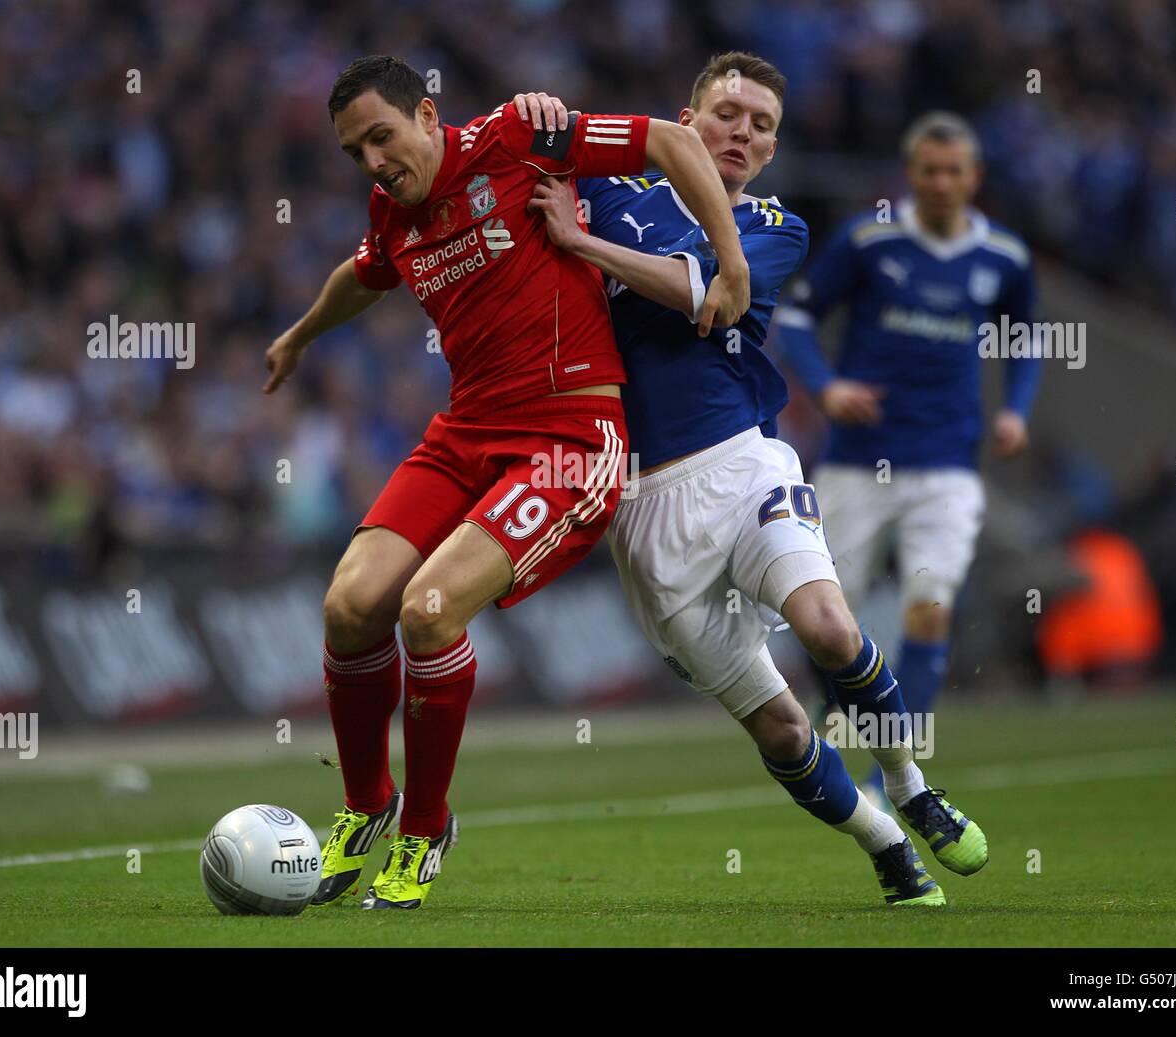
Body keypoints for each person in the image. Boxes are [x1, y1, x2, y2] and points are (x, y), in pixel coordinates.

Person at [263, 55, 750, 910]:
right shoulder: (393, 211)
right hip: (468, 431)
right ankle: (364, 803)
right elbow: (362, 274)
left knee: (428, 608)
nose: (373, 162)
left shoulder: (519, 137)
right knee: (348, 605)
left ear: (426, 114)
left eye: (382, 136)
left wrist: (729, 260)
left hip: (569, 434)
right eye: (355, 152)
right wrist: (301, 334)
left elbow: (672, 139)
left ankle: (423, 830)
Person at [513, 52, 988, 907]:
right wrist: (536, 110)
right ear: (685, 122)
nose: (743, 132)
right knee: (779, 723)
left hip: (741, 460)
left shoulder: (776, 226)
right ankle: (882, 843)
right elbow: (524, 158)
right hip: (641, 503)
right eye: (728, 113)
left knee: (830, 628)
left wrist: (581, 243)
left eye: (763, 125)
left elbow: (709, 298)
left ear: (772, 150)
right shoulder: (620, 188)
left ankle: (911, 786)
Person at [777, 111, 1041, 803]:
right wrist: (828, 386)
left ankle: (896, 772)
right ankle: (835, 724)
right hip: (857, 461)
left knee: (929, 606)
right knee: (825, 617)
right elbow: (799, 314)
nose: (942, 182)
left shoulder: (1004, 259)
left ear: (975, 177)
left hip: (948, 463)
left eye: (955, 171)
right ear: (911, 174)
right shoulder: (868, 241)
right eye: (929, 169)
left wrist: (1014, 409)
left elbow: (1025, 338)